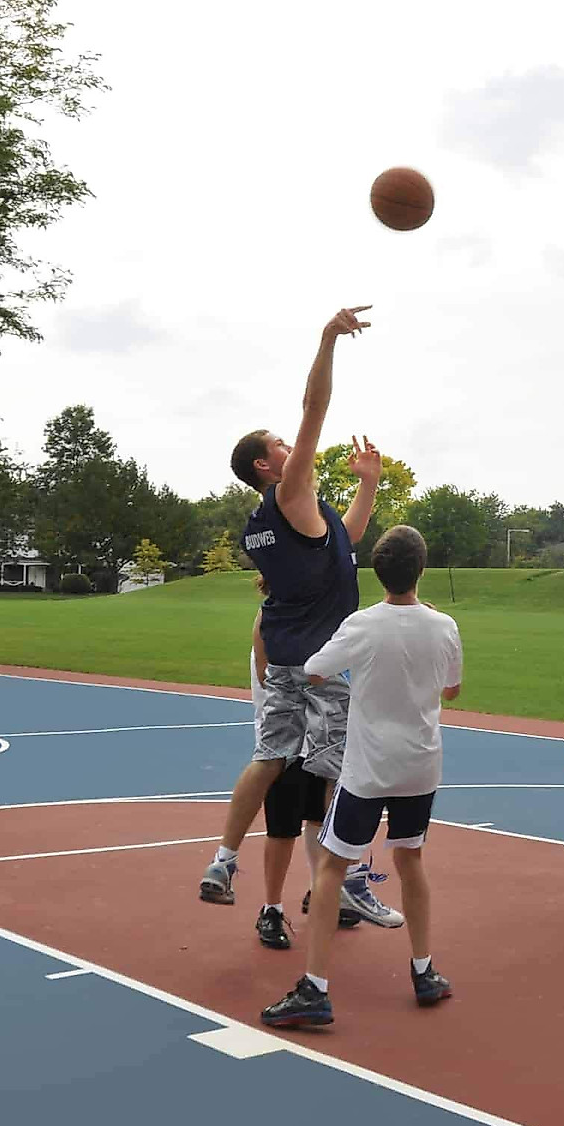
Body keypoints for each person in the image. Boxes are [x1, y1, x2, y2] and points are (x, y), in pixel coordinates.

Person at [199, 305, 399, 926]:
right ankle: (348, 877)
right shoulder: (289, 495)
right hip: (323, 663)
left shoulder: (265, 524)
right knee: (346, 771)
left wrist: (368, 483)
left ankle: (222, 861)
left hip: (285, 663)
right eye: (281, 446)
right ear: (265, 466)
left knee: (268, 758)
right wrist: (328, 339)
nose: (294, 446)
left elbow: (347, 541)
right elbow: (314, 408)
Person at [261, 525, 463, 1027]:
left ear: (378, 572)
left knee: (332, 868)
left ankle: (315, 988)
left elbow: (313, 669)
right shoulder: (444, 626)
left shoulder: (362, 624)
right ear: (421, 570)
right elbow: (452, 689)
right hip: (420, 765)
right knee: (410, 859)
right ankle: (424, 970)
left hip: (369, 768)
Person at [248, 589, 401, 949]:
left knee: (321, 821)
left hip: (323, 744)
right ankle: (271, 908)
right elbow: (273, 678)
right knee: (282, 829)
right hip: (287, 747)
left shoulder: (316, 632)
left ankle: (322, 893)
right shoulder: (273, 633)